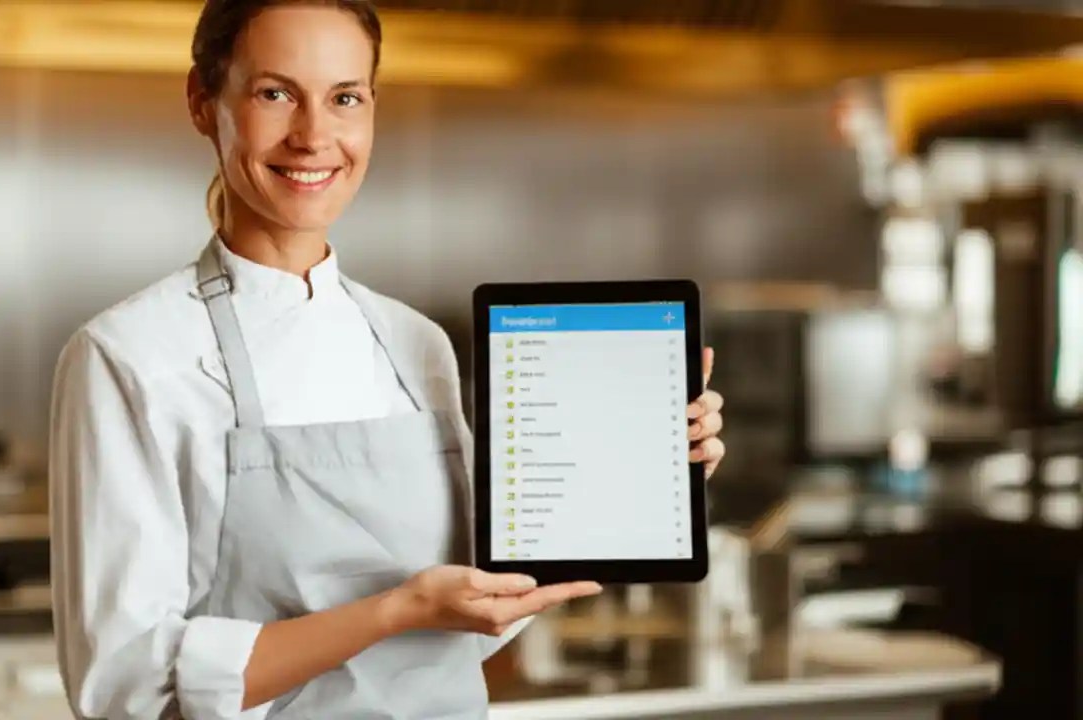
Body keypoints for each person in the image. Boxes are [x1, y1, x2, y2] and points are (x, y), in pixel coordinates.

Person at [48, 1, 728, 718]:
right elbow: (126, 688)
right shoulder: (128, 358)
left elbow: (470, 621)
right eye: (275, 94)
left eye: (346, 98)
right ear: (202, 101)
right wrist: (393, 611)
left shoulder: (415, 344)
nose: (314, 137)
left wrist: (638, 476)